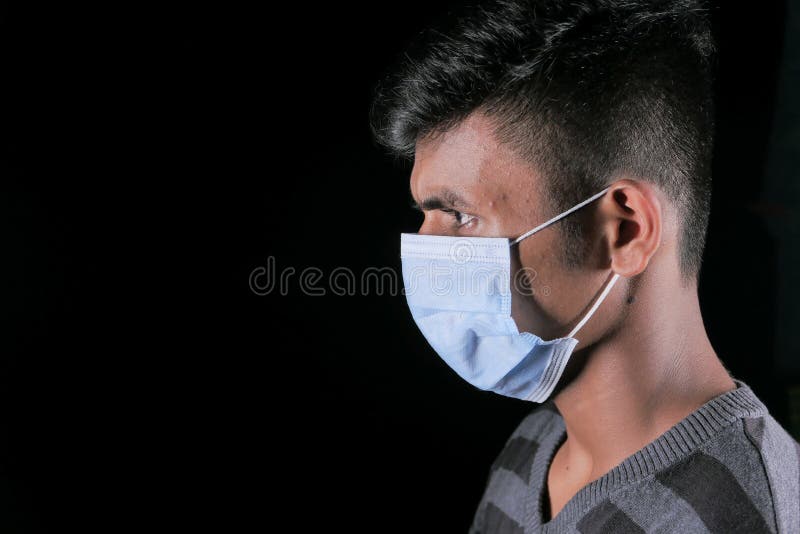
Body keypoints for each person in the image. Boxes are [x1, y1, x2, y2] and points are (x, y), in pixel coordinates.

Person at [370, 0, 800, 532]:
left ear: (623, 231)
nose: (423, 249)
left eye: (459, 216)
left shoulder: (744, 516)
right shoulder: (535, 446)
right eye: (425, 214)